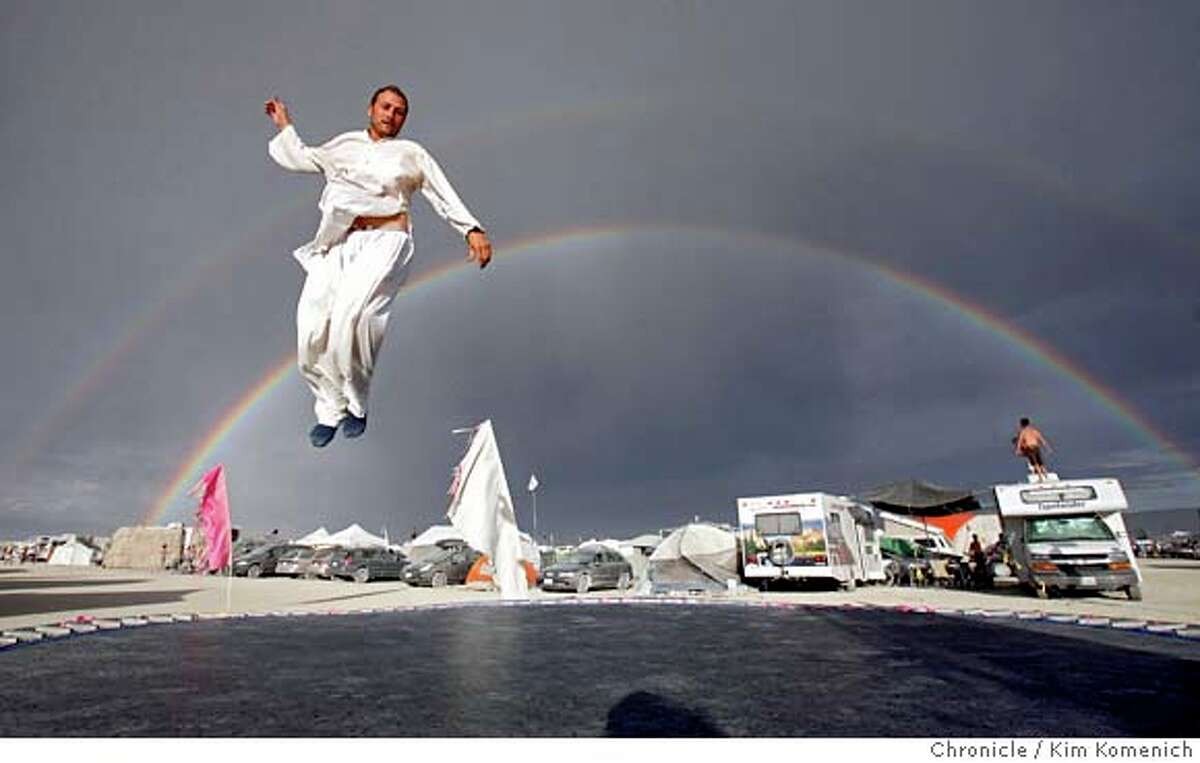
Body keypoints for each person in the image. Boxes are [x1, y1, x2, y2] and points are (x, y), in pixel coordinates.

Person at [264, 85, 493, 447]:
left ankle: (356, 402)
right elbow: (304, 158)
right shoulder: (344, 145)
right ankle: (329, 408)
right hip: (340, 241)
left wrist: (471, 229)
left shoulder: (411, 153)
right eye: (386, 107)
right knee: (311, 327)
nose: (391, 114)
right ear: (370, 109)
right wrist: (285, 127)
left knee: (352, 319)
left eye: (400, 111)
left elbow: (440, 190)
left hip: (387, 239)